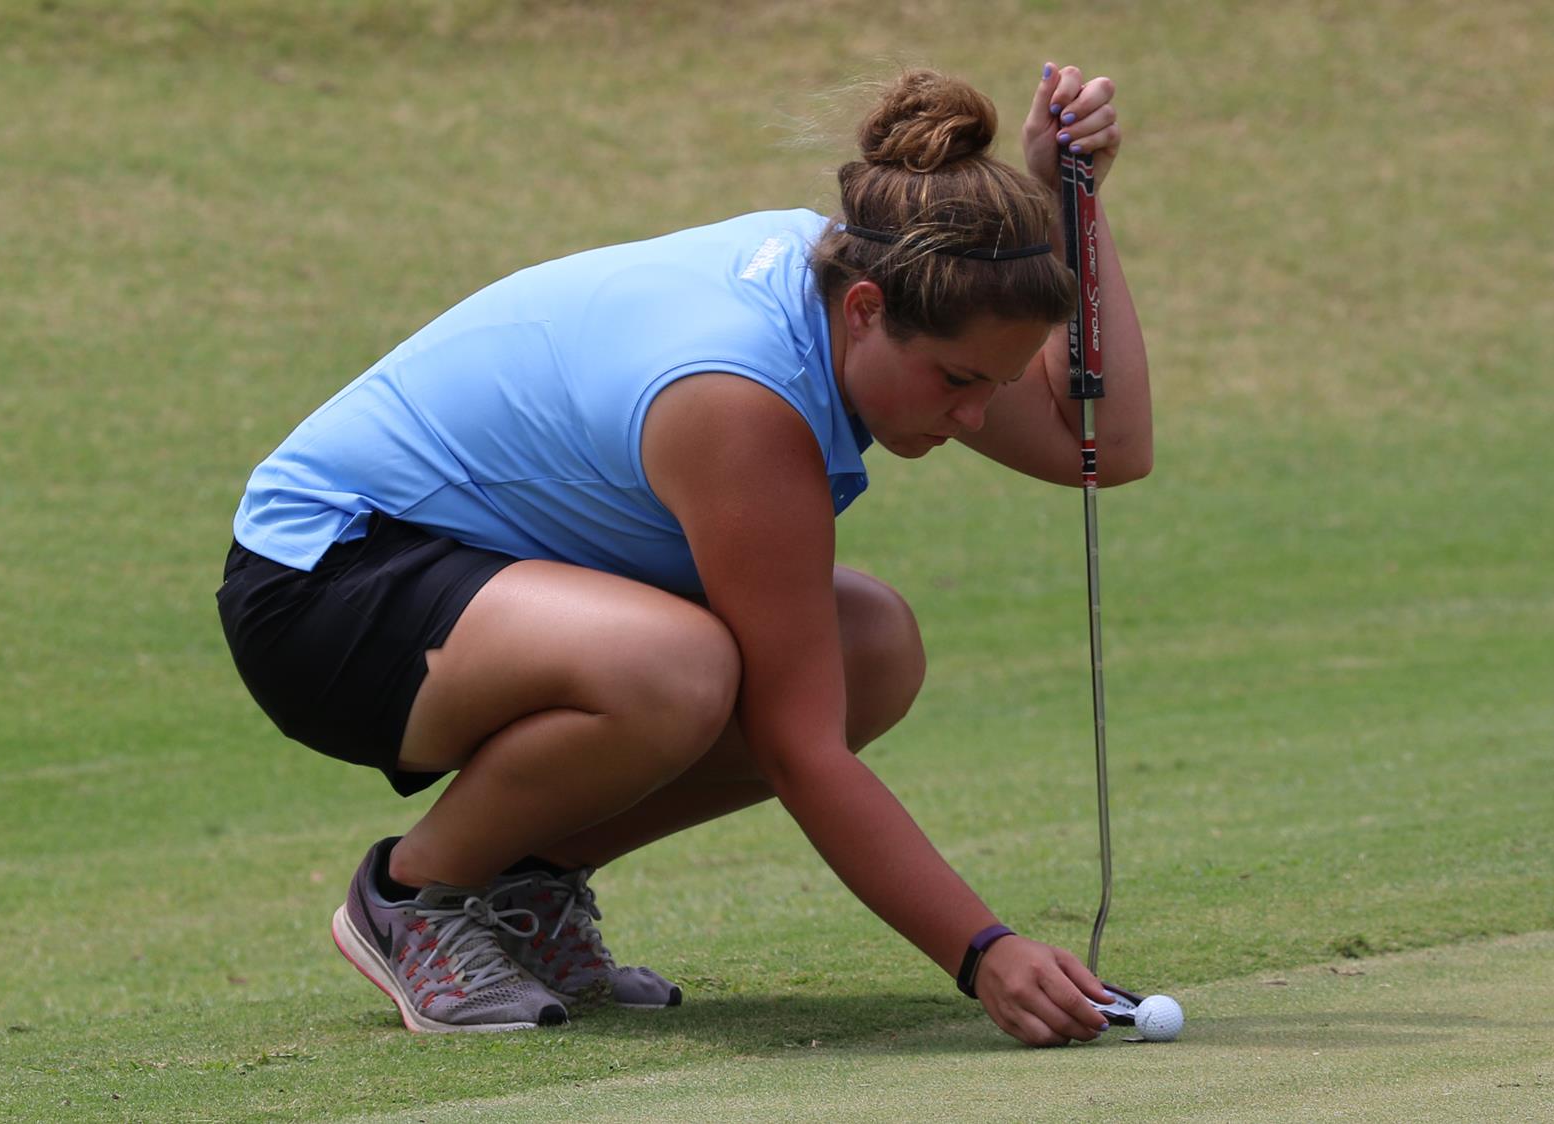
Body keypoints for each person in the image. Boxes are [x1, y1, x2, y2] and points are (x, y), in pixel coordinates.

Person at [217, 61, 1150, 1046]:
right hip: (326, 584)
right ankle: (408, 898)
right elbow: (800, 751)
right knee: (676, 670)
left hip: (484, 579)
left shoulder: (864, 289)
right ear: (867, 310)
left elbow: (1103, 448)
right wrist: (984, 950)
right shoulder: (739, 400)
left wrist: (1066, 201)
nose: (972, 416)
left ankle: (521, 890)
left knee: (870, 646)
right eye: (958, 382)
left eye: (989, 385)